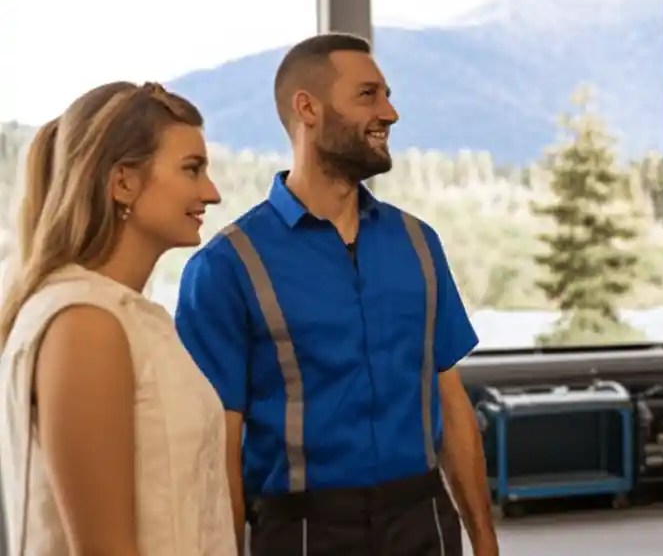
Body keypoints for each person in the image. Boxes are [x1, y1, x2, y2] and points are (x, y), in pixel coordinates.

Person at [174, 32, 498, 555]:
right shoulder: (226, 266)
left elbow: (452, 402)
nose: (390, 112)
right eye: (368, 95)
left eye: (387, 94)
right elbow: (218, 447)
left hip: (423, 521)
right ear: (308, 108)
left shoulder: (418, 244)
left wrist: (484, 540)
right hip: (303, 530)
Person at [0, 81, 233, 555]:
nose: (211, 193)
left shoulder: (122, 315)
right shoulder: (85, 322)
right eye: (192, 169)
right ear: (123, 181)